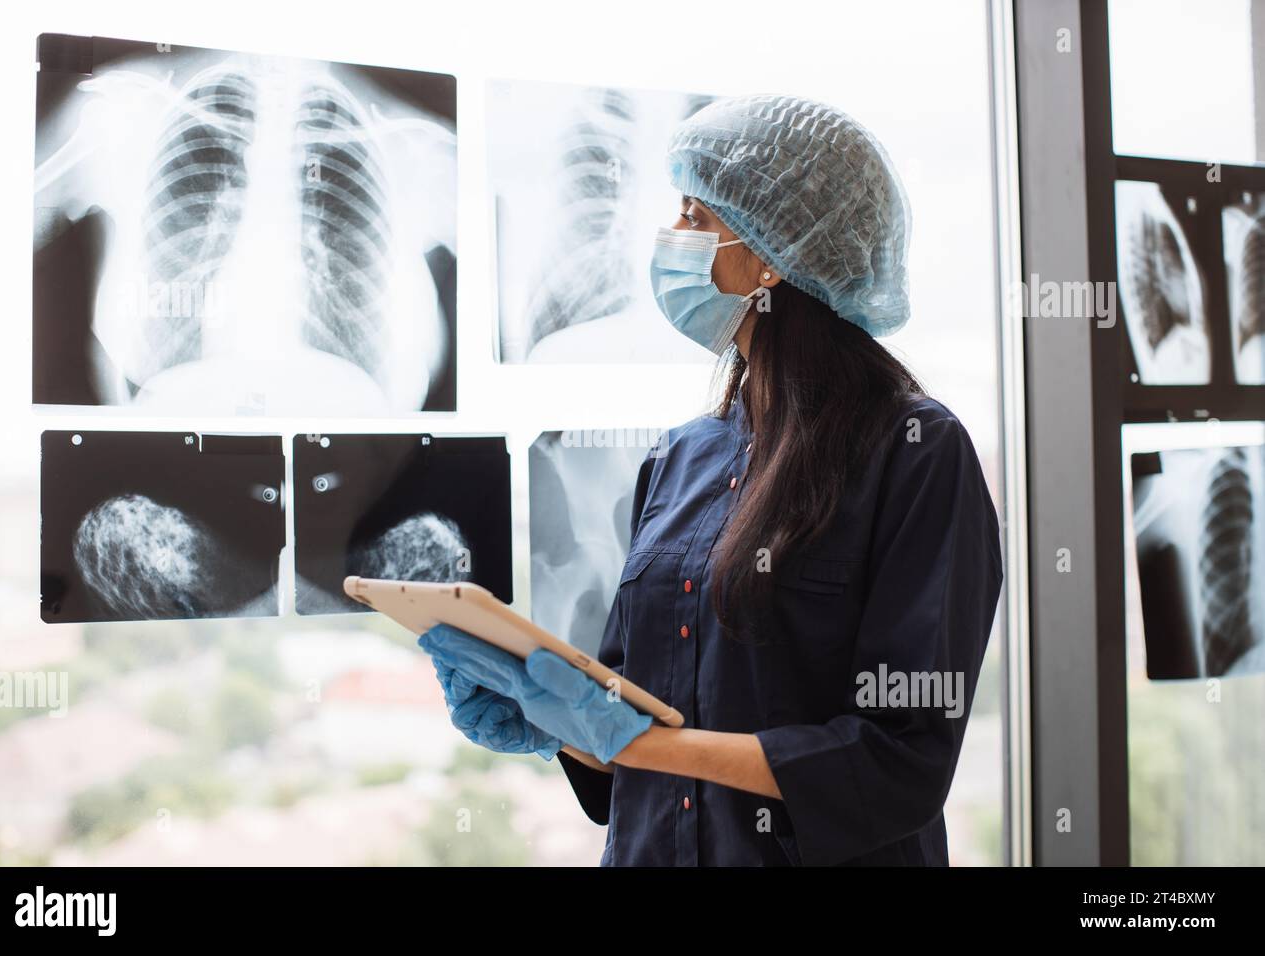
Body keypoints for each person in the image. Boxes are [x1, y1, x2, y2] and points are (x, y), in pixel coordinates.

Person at [418, 94, 1004, 866]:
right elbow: (627, 750)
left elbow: (899, 765)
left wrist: (646, 743)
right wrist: (556, 722)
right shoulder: (678, 458)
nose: (673, 238)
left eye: (695, 214)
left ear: (770, 254)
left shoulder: (917, 453)